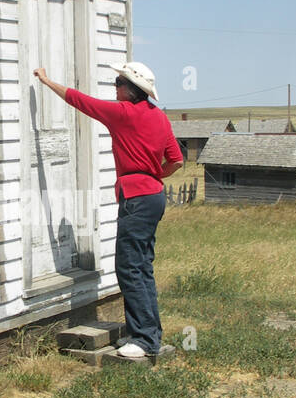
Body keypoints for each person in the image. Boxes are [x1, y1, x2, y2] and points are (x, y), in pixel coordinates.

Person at [33, 61, 183, 358]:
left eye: (118, 82)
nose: (115, 87)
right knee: (142, 267)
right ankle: (149, 333)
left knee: (128, 267)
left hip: (137, 199)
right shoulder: (159, 117)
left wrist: (47, 82)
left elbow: (81, 101)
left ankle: (143, 341)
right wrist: (153, 175)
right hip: (154, 196)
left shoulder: (123, 113)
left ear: (132, 89)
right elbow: (176, 160)